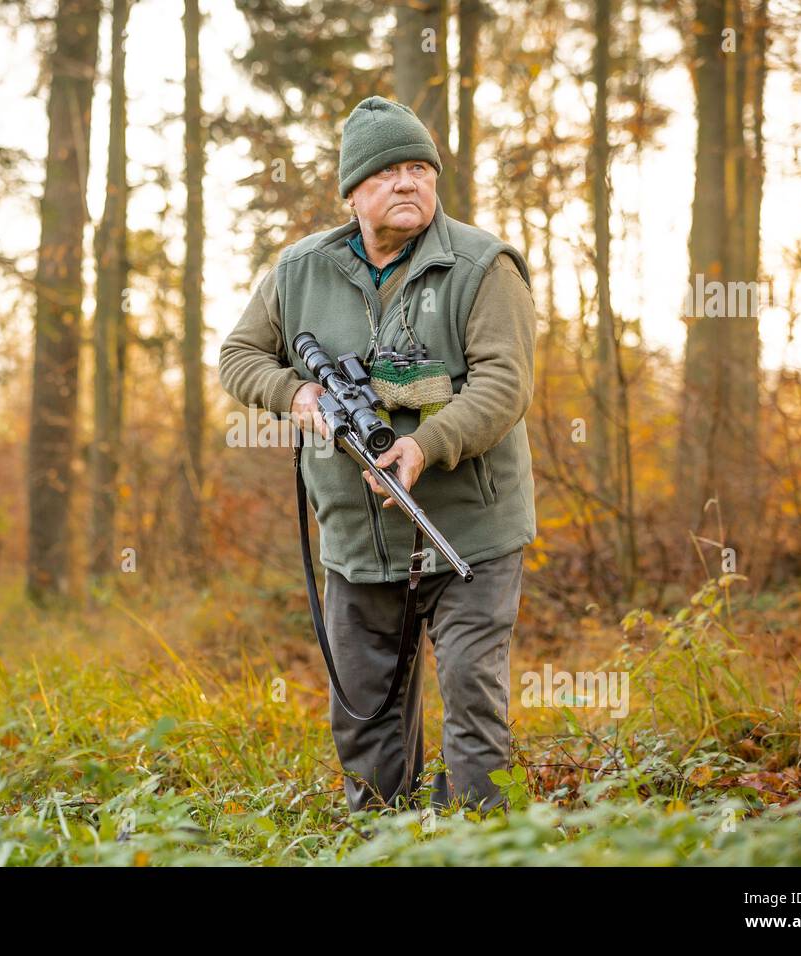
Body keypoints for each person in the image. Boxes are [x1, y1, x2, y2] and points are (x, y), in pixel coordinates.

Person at [218, 95, 537, 814]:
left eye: (421, 168)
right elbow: (238, 355)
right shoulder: (300, 271)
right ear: (354, 191)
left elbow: (504, 385)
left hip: (469, 536)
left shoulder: (484, 267)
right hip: (357, 540)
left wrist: (425, 446)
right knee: (364, 714)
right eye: (389, 171)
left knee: (472, 700)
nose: (408, 183)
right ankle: (383, 840)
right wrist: (296, 395)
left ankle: (485, 844)